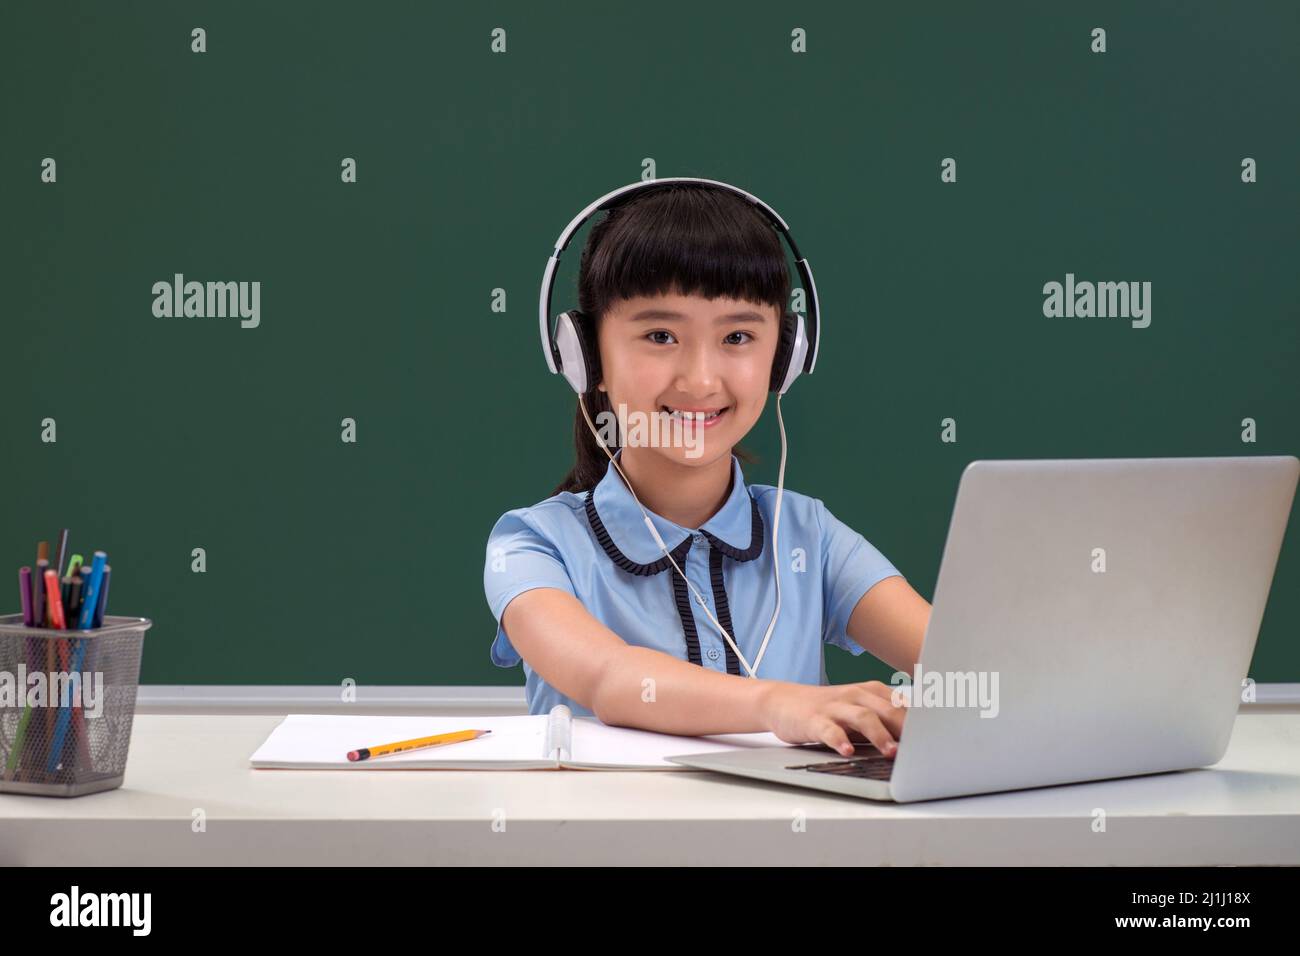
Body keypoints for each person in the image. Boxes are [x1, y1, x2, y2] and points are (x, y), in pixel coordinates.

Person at [483, 180, 931, 758]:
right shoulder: (533, 546)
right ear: (587, 357)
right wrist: (778, 703)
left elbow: (964, 667)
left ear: (784, 358)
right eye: (660, 335)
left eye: (738, 336)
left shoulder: (807, 536)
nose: (699, 380)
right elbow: (611, 679)